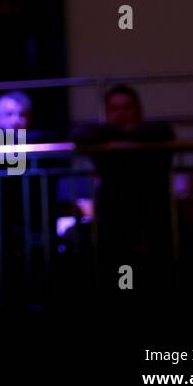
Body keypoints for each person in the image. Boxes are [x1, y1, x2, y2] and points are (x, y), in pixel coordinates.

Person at [73, 84, 176, 295]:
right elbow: (79, 134)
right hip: (116, 216)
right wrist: (122, 137)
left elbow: (163, 131)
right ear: (107, 113)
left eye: (127, 107)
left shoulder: (155, 133)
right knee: (121, 271)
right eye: (115, 108)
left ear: (139, 110)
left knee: (155, 271)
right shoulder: (102, 135)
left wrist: (120, 140)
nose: (121, 113)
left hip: (153, 213)